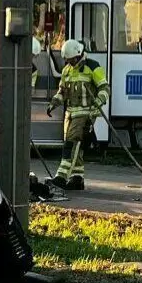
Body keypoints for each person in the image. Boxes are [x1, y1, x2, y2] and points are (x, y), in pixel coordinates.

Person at [47, 39, 109, 191]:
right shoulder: (67, 70)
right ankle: (77, 178)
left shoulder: (93, 67)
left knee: (72, 143)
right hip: (70, 113)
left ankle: (61, 177)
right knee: (76, 146)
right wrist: (54, 103)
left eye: (70, 59)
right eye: (67, 60)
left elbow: (105, 88)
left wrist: (97, 103)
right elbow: (62, 92)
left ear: (78, 55)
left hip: (85, 112)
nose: (69, 62)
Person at [0, 39, 42, 138]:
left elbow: (30, 91)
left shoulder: (32, 70)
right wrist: (2, 82)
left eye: (33, 56)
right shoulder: (1, 57)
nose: (30, 59)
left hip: (12, 108)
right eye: (30, 55)